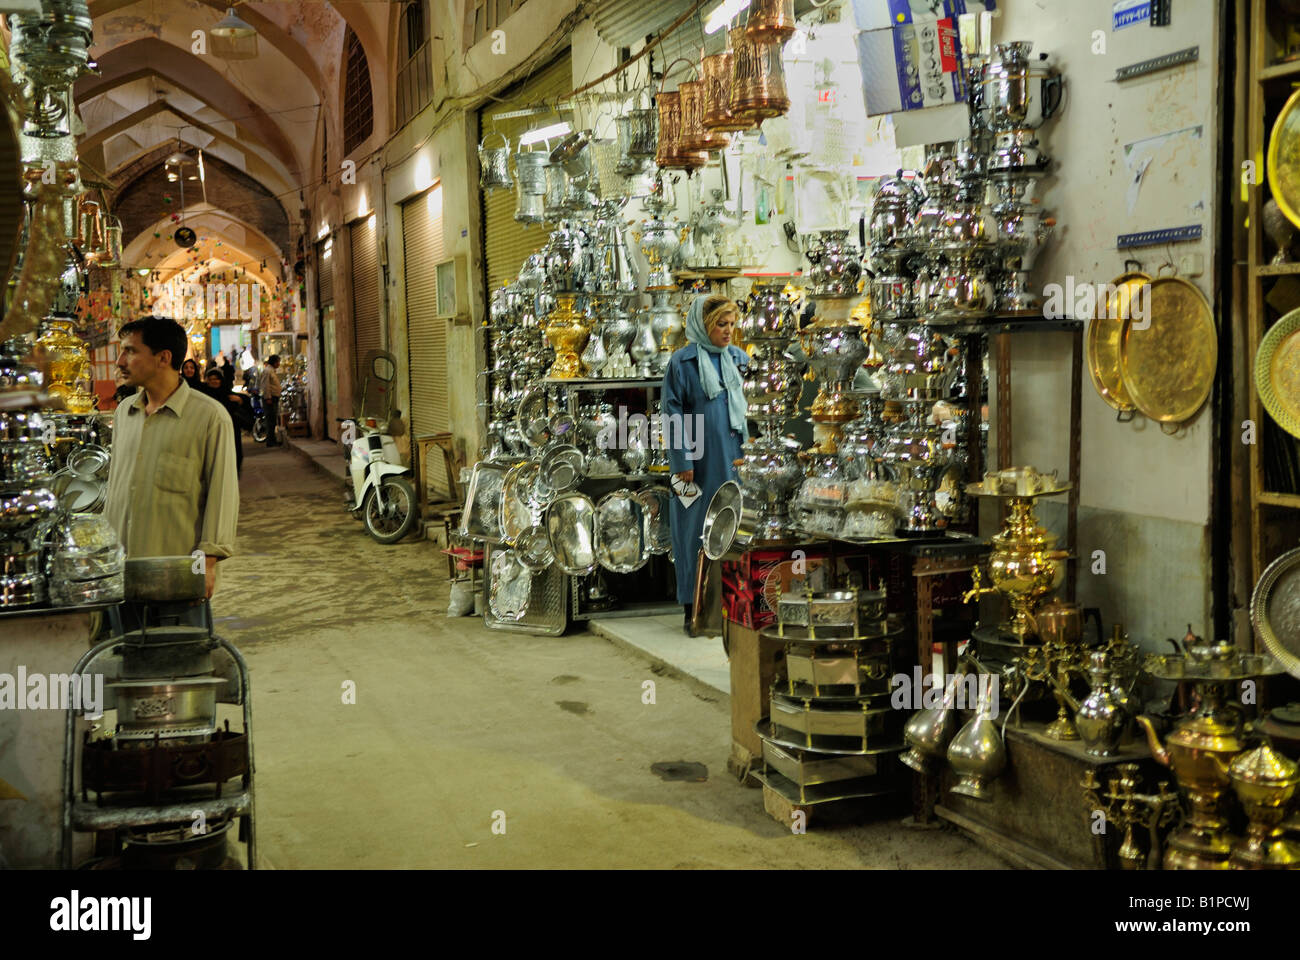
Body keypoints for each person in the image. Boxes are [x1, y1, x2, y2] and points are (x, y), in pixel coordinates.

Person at [103, 316, 239, 605]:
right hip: (119, 576)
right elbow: (116, 485)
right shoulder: (125, 412)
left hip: (174, 578)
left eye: (130, 351)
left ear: (163, 358)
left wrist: (206, 566)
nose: (120, 362)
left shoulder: (210, 417)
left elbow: (222, 494)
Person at [661, 295, 748, 635]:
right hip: (695, 463)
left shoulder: (739, 359)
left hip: (733, 456)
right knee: (692, 529)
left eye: (731, 325)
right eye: (720, 325)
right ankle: (692, 606)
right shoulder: (682, 364)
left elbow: (748, 410)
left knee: (732, 527)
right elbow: (673, 413)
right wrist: (682, 460)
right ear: (703, 326)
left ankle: (730, 606)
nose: (728, 332)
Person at [199, 366, 245, 476]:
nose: (214, 381)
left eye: (216, 379)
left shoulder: (227, 393)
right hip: (210, 430)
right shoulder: (203, 396)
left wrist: (239, 401)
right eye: (211, 379)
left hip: (229, 430)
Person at [258, 354, 283, 447]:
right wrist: (268, 397)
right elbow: (265, 385)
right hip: (270, 399)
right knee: (270, 420)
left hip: (274, 398)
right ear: (274, 362)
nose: (279, 364)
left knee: (273, 420)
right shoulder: (267, 371)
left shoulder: (271, 370)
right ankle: (270, 441)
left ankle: (272, 439)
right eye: (278, 362)